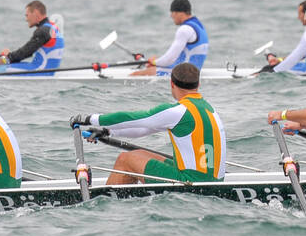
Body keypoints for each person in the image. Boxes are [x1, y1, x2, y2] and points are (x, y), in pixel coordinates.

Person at [73, 62, 225, 183]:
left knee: (125, 160)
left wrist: (90, 119)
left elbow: (132, 118)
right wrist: (108, 131)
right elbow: (143, 129)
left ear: (172, 84)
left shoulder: (179, 111)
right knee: (138, 155)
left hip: (190, 181)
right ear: (198, 85)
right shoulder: (210, 109)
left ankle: (104, 201)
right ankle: (126, 195)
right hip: (212, 179)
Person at [129, 0, 209, 77]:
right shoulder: (198, 25)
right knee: (154, 66)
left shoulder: (184, 29)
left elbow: (169, 59)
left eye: (172, 12)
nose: (171, 16)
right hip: (193, 71)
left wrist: (154, 62)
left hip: (185, 75)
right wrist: (156, 63)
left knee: (135, 74)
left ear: (180, 13)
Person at [0, 0, 65, 76]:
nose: (26, 19)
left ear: (35, 13)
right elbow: (26, 52)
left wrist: (6, 58)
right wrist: (8, 57)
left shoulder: (43, 31)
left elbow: (26, 52)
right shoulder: (53, 27)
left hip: (40, 71)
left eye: (27, 15)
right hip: (48, 71)